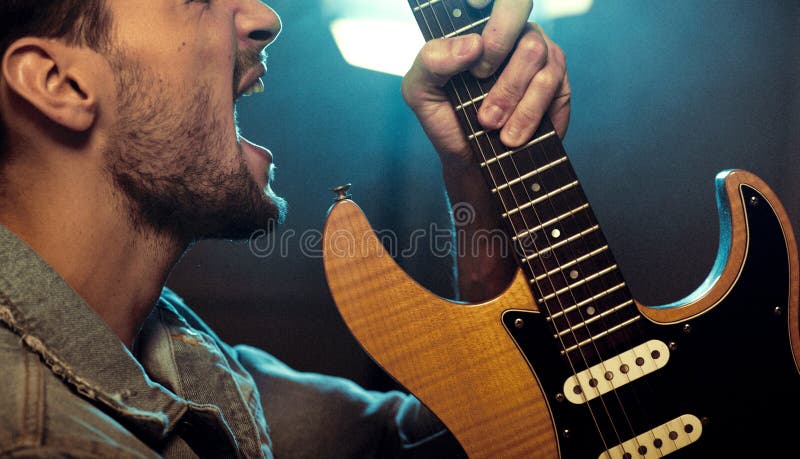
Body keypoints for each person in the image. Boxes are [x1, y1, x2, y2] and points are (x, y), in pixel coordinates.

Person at [0, 0, 569, 457]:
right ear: (60, 84)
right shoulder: (47, 436)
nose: (266, 18)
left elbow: (470, 431)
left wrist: (478, 169)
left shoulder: (174, 354)